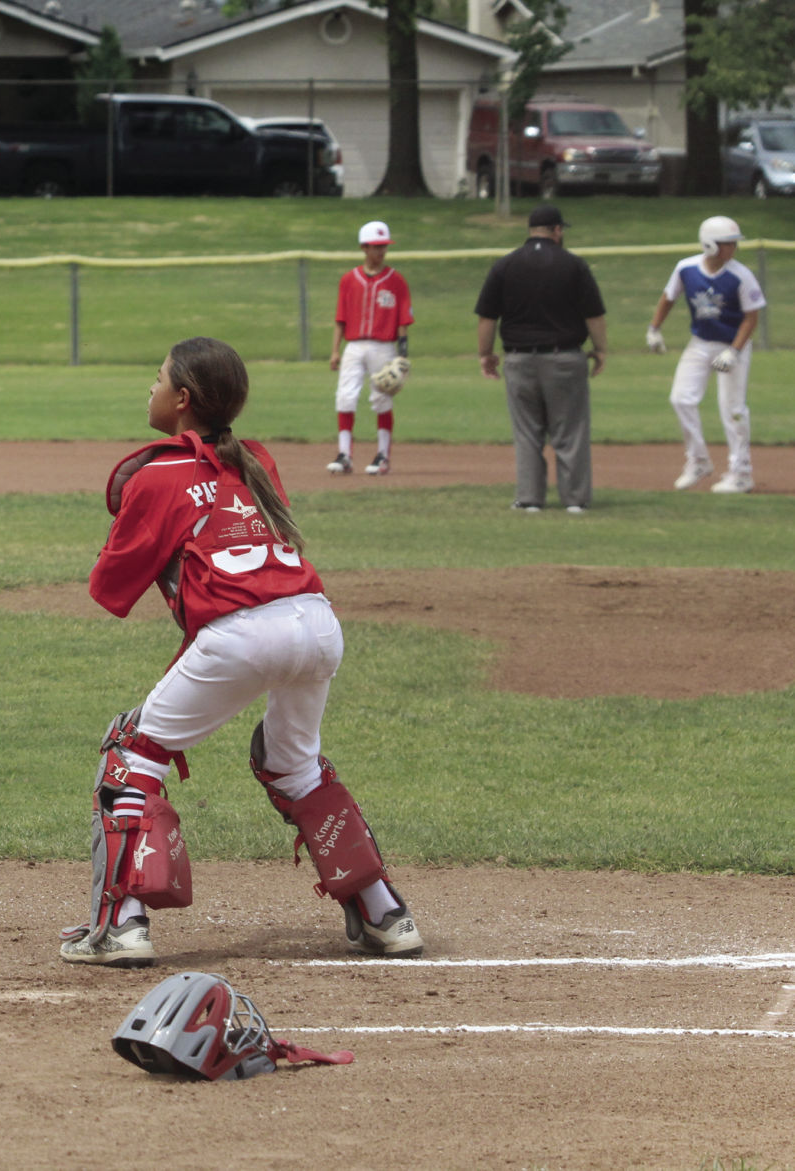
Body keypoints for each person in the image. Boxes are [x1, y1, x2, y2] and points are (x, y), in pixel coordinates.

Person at [57, 336, 425, 969]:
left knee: (133, 756)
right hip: (315, 622)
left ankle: (120, 925)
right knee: (294, 765)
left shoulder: (156, 474)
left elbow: (108, 589)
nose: (148, 388)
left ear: (181, 400)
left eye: (157, 378)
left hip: (243, 633)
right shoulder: (255, 458)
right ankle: (384, 912)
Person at [474, 204, 608, 515]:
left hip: (519, 360)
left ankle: (530, 499)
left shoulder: (505, 265)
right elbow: (594, 314)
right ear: (557, 230)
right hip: (565, 359)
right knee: (570, 431)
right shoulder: (573, 265)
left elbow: (487, 317)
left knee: (527, 432)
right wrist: (600, 350)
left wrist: (485, 354)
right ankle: (575, 500)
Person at [647, 215, 764, 494]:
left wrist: (734, 352)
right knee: (681, 399)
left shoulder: (740, 275)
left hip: (732, 344)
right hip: (700, 343)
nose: (733, 249)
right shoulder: (686, 268)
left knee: (733, 409)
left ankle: (741, 473)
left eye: (734, 244)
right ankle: (698, 460)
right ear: (710, 245)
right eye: (728, 243)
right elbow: (668, 297)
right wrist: (654, 329)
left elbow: (751, 317)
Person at [326, 220, 413, 476]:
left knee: (382, 397)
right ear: (364, 247)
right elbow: (340, 319)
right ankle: (344, 455)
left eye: (383, 246)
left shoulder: (396, 281)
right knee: (345, 396)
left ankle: (383, 456)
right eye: (376, 246)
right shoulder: (348, 280)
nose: (381, 251)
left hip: (384, 347)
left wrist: (403, 356)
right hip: (354, 345)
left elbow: (403, 322)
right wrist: (334, 351)